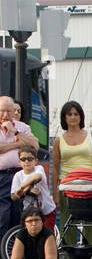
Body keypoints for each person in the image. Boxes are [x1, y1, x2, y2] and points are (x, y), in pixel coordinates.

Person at [51, 100, 92, 215]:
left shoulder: (91, 136)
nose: (73, 117)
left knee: (90, 224)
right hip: (67, 186)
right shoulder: (58, 140)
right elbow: (55, 168)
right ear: (64, 117)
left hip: (90, 185)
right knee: (67, 227)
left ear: (81, 116)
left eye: (76, 114)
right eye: (69, 114)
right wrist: (55, 195)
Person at [0, 95, 39, 237]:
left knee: (18, 215)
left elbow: (34, 145)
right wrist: (18, 144)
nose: (5, 115)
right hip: (2, 176)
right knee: (2, 217)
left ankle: (15, 253)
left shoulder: (22, 128)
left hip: (20, 175)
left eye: (9, 111)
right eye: (2, 111)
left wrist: (15, 132)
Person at [9, 147, 56, 228]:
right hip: (29, 212)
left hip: (46, 211)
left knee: (47, 235)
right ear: (19, 162)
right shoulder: (18, 175)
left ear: (35, 161)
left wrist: (21, 187)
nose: (26, 161)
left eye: (30, 159)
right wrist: (28, 190)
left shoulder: (39, 169)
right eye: (23, 159)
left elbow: (37, 177)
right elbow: (14, 196)